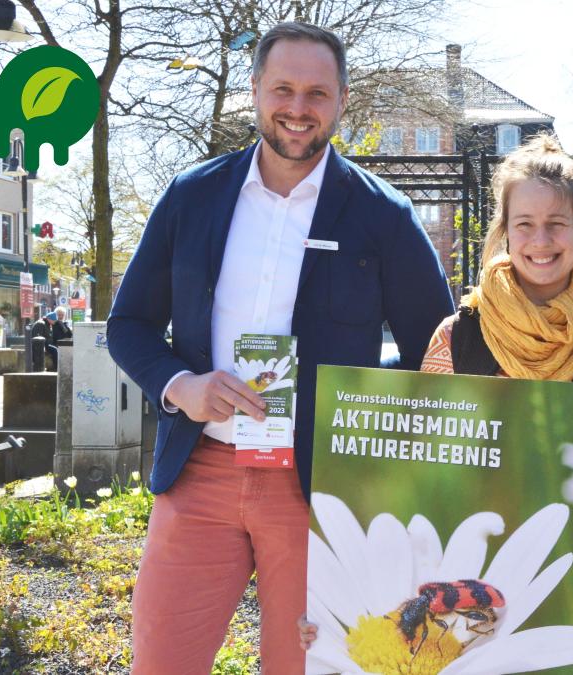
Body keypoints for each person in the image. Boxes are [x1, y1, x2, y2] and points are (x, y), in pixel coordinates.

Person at [107, 21, 453, 675]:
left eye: (317, 93)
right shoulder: (192, 196)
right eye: (283, 89)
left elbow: (437, 353)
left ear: (342, 100)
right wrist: (183, 386)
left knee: (303, 669)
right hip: (200, 475)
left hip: (319, 491)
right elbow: (128, 324)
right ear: (255, 90)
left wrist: (352, 404)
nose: (298, 108)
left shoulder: (384, 217)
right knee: (161, 663)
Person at [298, 134, 573, 673]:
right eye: (525, 224)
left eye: (557, 223)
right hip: (460, 581)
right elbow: (417, 474)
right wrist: (339, 612)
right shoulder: (457, 336)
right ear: (504, 229)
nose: (541, 240)